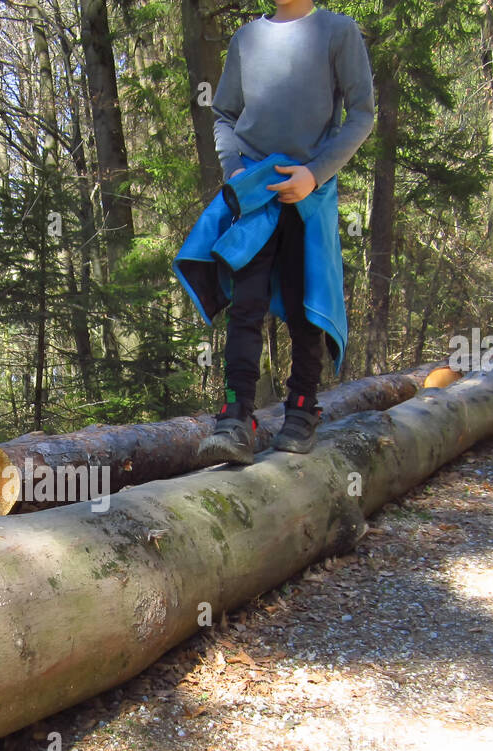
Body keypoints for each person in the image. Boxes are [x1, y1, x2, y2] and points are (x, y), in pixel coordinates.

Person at [195, 0, 375, 463]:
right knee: (246, 303)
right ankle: (236, 418)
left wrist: (314, 174)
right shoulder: (246, 39)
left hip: (307, 193)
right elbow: (225, 115)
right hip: (255, 193)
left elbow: (361, 114)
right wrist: (235, 169)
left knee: (304, 303)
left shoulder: (338, 31)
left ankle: (301, 409)